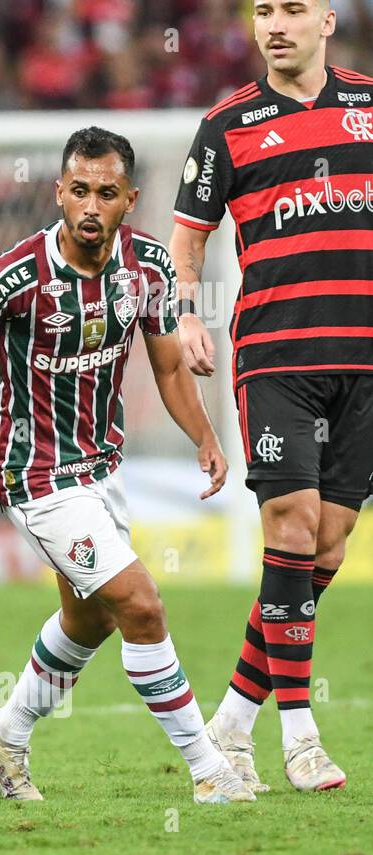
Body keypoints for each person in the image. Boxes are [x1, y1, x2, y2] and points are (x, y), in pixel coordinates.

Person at [0, 127, 253, 804]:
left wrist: (205, 436)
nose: (90, 206)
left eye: (106, 192)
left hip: (102, 468)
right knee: (140, 606)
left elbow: (165, 362)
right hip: (32, 472)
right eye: (78, 191)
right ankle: (210, 770)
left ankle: (5, 732)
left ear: (130, 199)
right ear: (58, 194)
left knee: (90, 618)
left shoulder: (149, 268)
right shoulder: (16, 275)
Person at [171, 0, 370, 792]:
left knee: (327, 546)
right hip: (276, 358)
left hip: (362, 362)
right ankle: (301, 737)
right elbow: (188, 233)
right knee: (289, 526)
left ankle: (234, 720)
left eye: (292, 8)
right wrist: (187, 312)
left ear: (328, 18)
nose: (275, 23)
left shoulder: (365, 106)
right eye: (262, 10)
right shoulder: (229, 126)